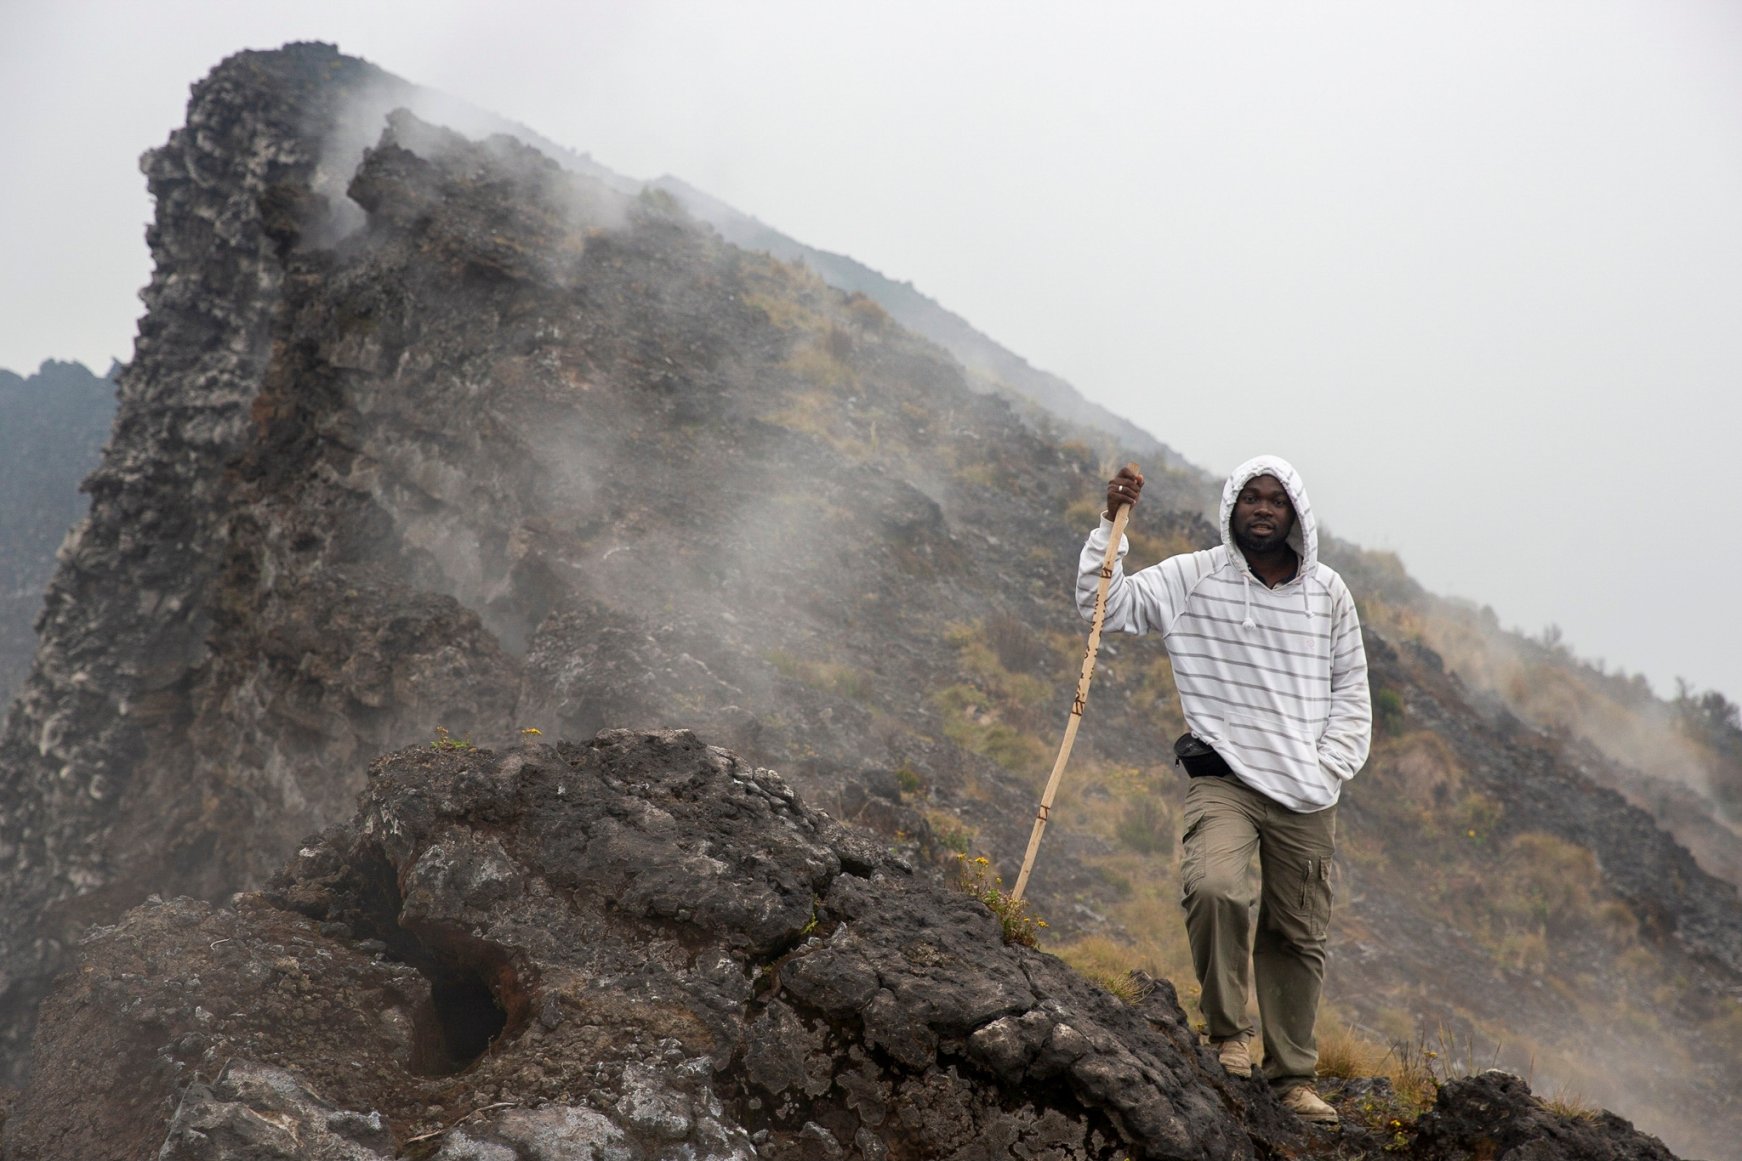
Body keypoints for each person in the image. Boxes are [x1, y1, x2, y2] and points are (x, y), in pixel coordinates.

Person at [1076, 455, 1371, 1127]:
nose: (1262, 509)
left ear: (1295, 513)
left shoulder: (1329, 592)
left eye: (1276, 500)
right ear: (1231, 508)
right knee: (1214, 886)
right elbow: (1106, 606)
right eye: (1250, 498)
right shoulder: (1192, 576)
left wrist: (1329, 766)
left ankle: (1292, 1077)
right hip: (1225, 781)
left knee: (1297, 935)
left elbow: (1351, 691)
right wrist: (1109, 525)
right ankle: (1228, 1035)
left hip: (1308, 794)